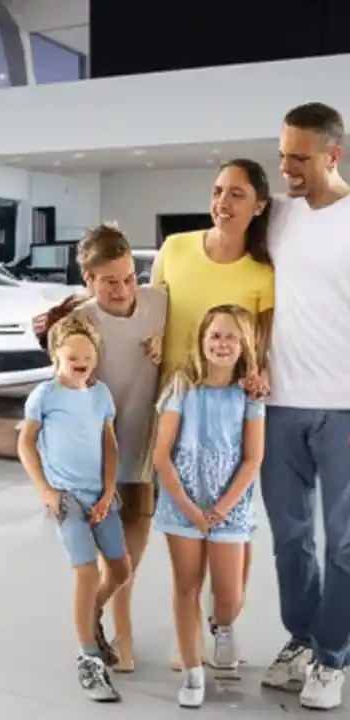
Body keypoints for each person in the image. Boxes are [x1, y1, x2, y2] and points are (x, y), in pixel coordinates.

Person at [151, 157, 275, 671]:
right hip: (174, 406)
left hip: (232, 409)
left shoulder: (262, 271)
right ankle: (190, 647)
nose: (223, 202)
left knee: (233, 554)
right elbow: (148, 308)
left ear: (259, 206)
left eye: (237, 194)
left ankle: (222, 624)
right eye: (218, 190)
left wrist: (258, 376)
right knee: (180, 544)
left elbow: (262, 343)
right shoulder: (176, 248)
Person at [35, 225, 166, 673]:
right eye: (110, 280)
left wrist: (166, 345)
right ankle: (100, 636)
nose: (123, 288)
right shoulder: (81, 323)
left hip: (143, 455)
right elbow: (59, 364)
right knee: (103, 561)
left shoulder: (158, 305)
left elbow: (200, 338)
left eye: (130, 277)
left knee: (126, 565)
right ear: (88, 279)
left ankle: (102, 624)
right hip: (93, 469)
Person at [258, 101, 350, 710]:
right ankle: (302, 639)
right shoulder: (278, 220)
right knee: (291, 539)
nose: (286, 167)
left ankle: (332, 655)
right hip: (282, 405)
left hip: (345, 408)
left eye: (299, 157)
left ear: (332, 154)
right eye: (283, 153)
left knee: (346, 544)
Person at [150, 304, 266, 708]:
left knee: (229, 596)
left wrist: (218, 512)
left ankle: (223, 627)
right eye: (215, 335)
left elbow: (252, 460)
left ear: (244, 346)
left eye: (231, 337)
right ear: (201, 340)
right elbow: (162, 456)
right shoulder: (181, 387)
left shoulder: (250, 397)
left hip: (228, 509)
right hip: (182, 504)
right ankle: (192, 671)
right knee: (187, 586)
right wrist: (189, 507)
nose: (221, 343)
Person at [17, 312, 132, 703]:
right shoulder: (44, 396)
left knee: (120, 568)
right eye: (72, 357)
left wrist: (108, 491)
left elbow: (110, 445)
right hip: (67, 498)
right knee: (85, 571)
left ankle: (91, 616)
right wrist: (46, 492)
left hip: (101, 495)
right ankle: (88, 656)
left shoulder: (101, 395)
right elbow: (25, 444)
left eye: (87, 356)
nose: (81, 363)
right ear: (56, 358)